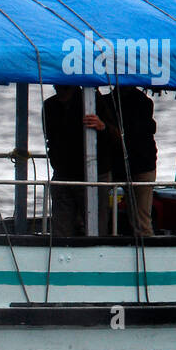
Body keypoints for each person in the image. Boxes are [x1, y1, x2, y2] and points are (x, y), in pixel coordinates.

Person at [42, 84, 116, 236]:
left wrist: (102, 127)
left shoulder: (95, 100)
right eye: (59, 87)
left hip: (94, 175)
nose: (61, 91)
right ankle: (62, 251)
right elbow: (50, 138)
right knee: (61, 229)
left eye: (65, 88)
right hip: (63, 174)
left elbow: (117, 136)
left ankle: (98, 251)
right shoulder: (50, 106)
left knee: (97, 228)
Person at [97, 86, 158, 237]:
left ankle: (145, 246)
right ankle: (98, 239)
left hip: (141, 164)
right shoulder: (106, 101)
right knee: (98, 208)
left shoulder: (142, 103)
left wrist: (105, 128)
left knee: (141, 218)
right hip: (113, 164)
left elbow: (129, 137)